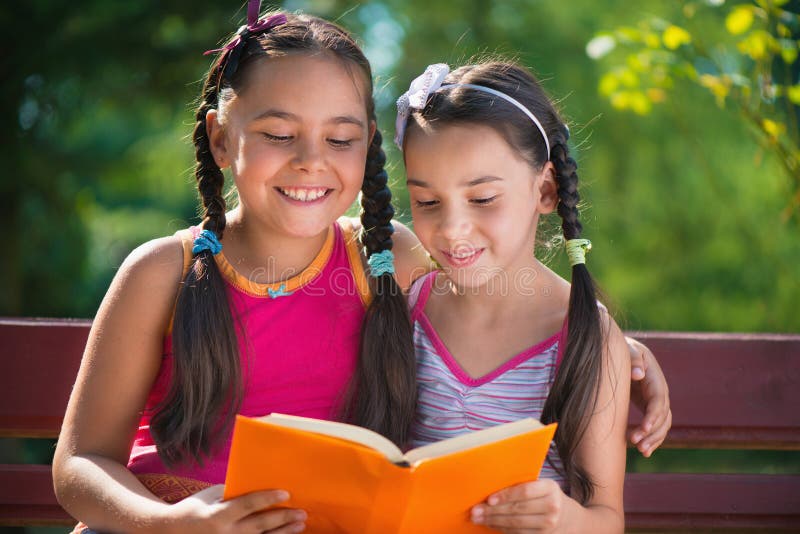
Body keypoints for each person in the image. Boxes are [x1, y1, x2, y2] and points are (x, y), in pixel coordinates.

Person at [52, 3, 669, 532]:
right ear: (219, 138)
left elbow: (494, 279)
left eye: (340, 139)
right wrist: (173, 524)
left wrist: (620, 351)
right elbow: (78, 466)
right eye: (278, 134)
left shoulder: (384, 260)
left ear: (368, 145)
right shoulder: (165, 272)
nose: (311, 162)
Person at [395, 61, 636, 532]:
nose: (451, 229)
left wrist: (562, 517)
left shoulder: (583, 338)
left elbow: (606, 520)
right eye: (427, 202)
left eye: (483, 199)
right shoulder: (408, 300)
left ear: (544, 189)